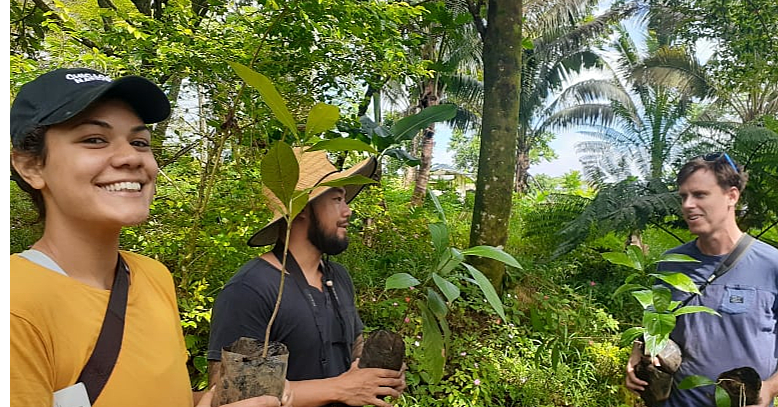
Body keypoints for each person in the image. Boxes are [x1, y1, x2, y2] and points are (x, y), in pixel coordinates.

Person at [6, 67, 291, 407]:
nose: (131, 157)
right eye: (94, 139)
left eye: (140, 142)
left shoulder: (153, 276)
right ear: (31, 166)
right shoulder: (16, 303)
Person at [207, 148, 407, 407]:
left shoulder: (338, 276)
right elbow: (224, 392)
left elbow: (353, 345)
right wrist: (339, 388)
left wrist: (374, 375)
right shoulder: (251, 288)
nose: (348, 211)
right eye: (337, 199)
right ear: (301, 208)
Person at [625, 152, 778, 406]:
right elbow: (656, 326)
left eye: (700, 195)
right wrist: (638, 350)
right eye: (683, 196)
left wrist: (770, 388)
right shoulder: (671, 263)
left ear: (732, 196)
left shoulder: (771, 265)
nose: (687, 205)